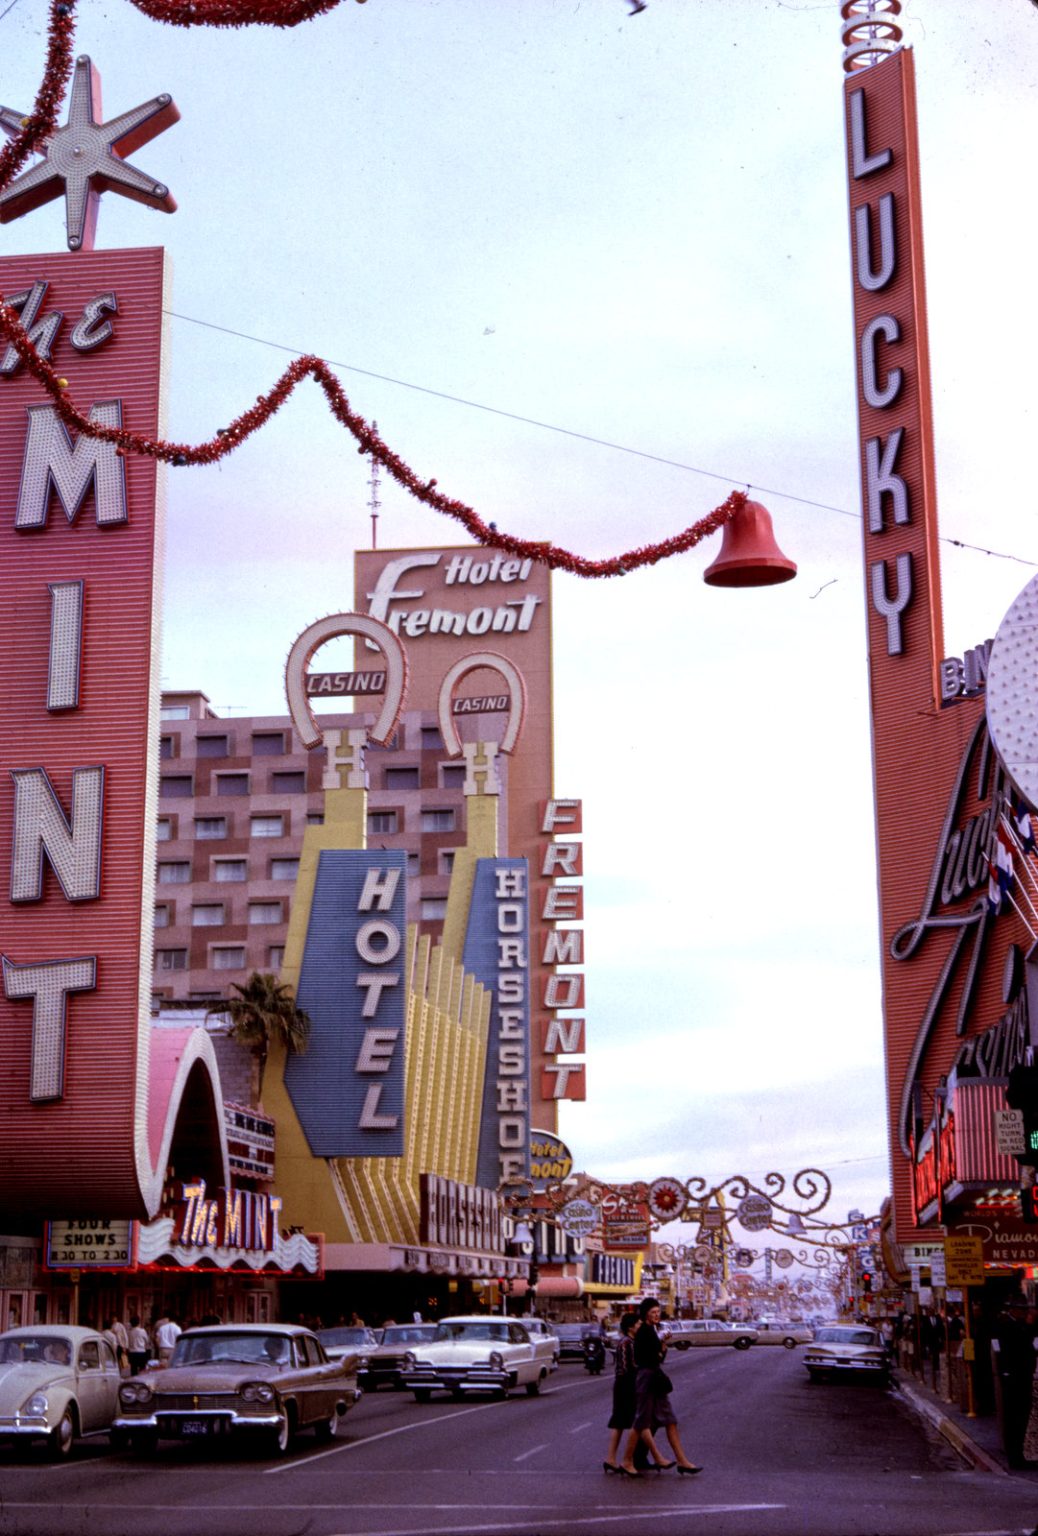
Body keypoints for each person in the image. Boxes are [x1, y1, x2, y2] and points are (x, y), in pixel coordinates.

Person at [620, 1297, 701, 1477]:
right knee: (641, 1422)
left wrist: (662, 1344)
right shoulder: (645, 1332)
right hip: (647, 1378)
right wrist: (659, 1346)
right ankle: (627, 1460)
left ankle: (682, 1461)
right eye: (653, 1312)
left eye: (658, 1312)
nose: (657, 1315)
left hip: (654, 1378)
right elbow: (652, 1358)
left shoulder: (651, 1330)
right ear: (646, 1314)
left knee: (670, 1420)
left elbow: (659, 1356)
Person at [603, 1312, 664, 1473]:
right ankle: (655, 1456)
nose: (640, 1326)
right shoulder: (626, 1343)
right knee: (638, 1421)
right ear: (631, 1327)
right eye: (638, 1324)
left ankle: (610, 1459)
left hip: (628, 1385)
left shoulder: (632, 1341)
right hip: (626, 1386)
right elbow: (626, 1367)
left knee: (620, 1423)